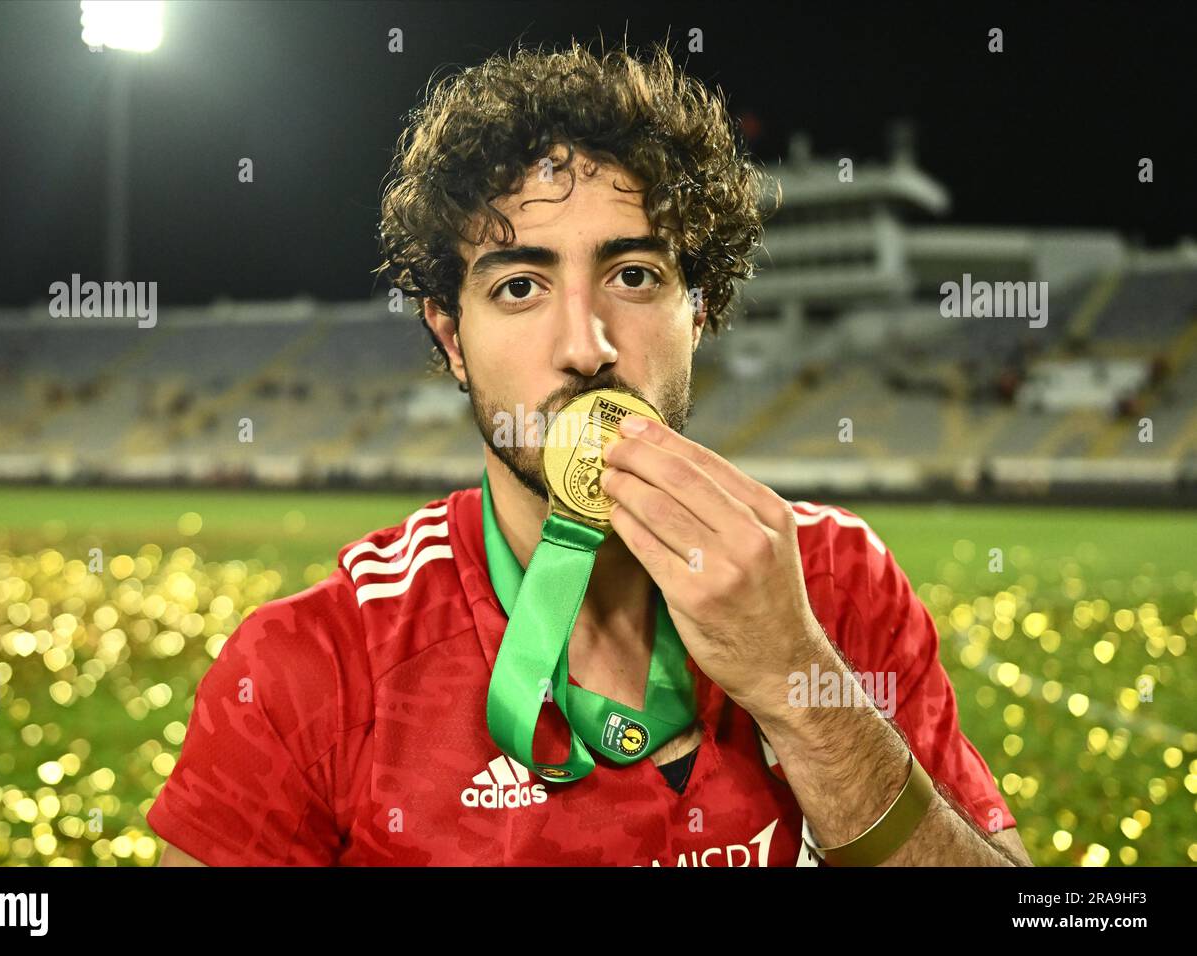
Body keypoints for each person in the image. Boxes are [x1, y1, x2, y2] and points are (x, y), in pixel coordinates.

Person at [148, 39, 1031, 867]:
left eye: (636, 275)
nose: (587, 344)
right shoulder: (309, 669)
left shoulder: (841, 587)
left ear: (704, 309)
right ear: (452, 338)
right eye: (521, 286)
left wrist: (802, 686)